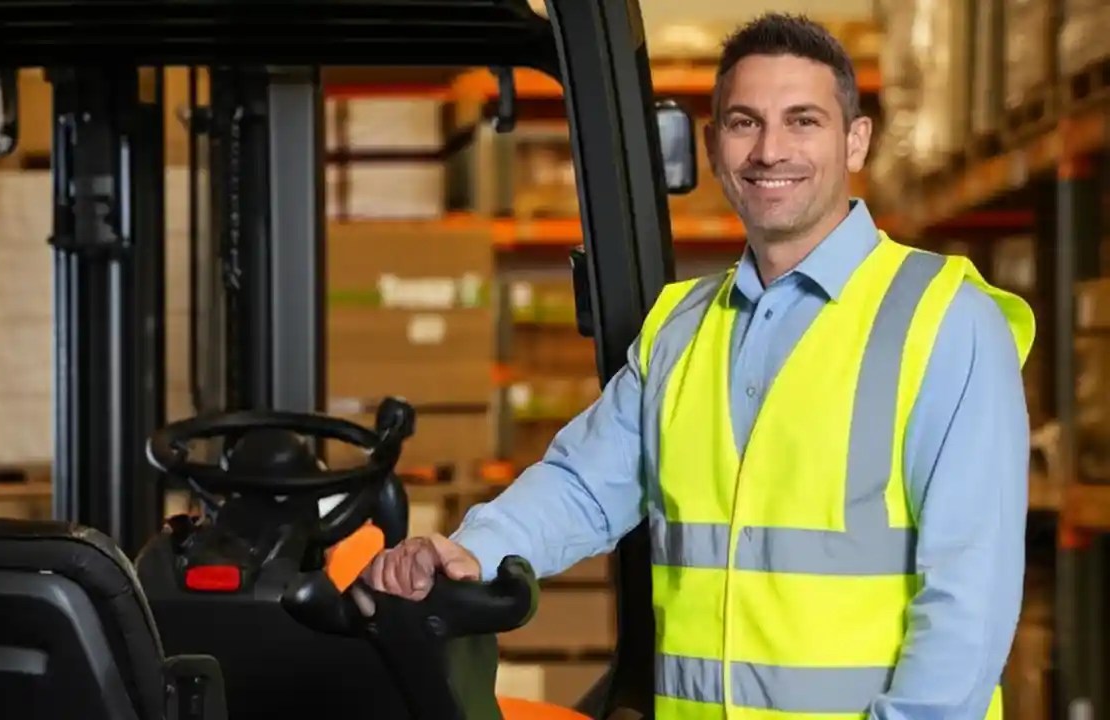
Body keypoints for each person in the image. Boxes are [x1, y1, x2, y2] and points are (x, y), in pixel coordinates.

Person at [362, 12, 1034, 720]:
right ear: (713, 148)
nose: (771, 150)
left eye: (802, 121)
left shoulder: (947, 321)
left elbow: (971, 590)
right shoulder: (682, 329)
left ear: (856, 140)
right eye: (745, 123)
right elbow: (583, 488)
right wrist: (474, 548)